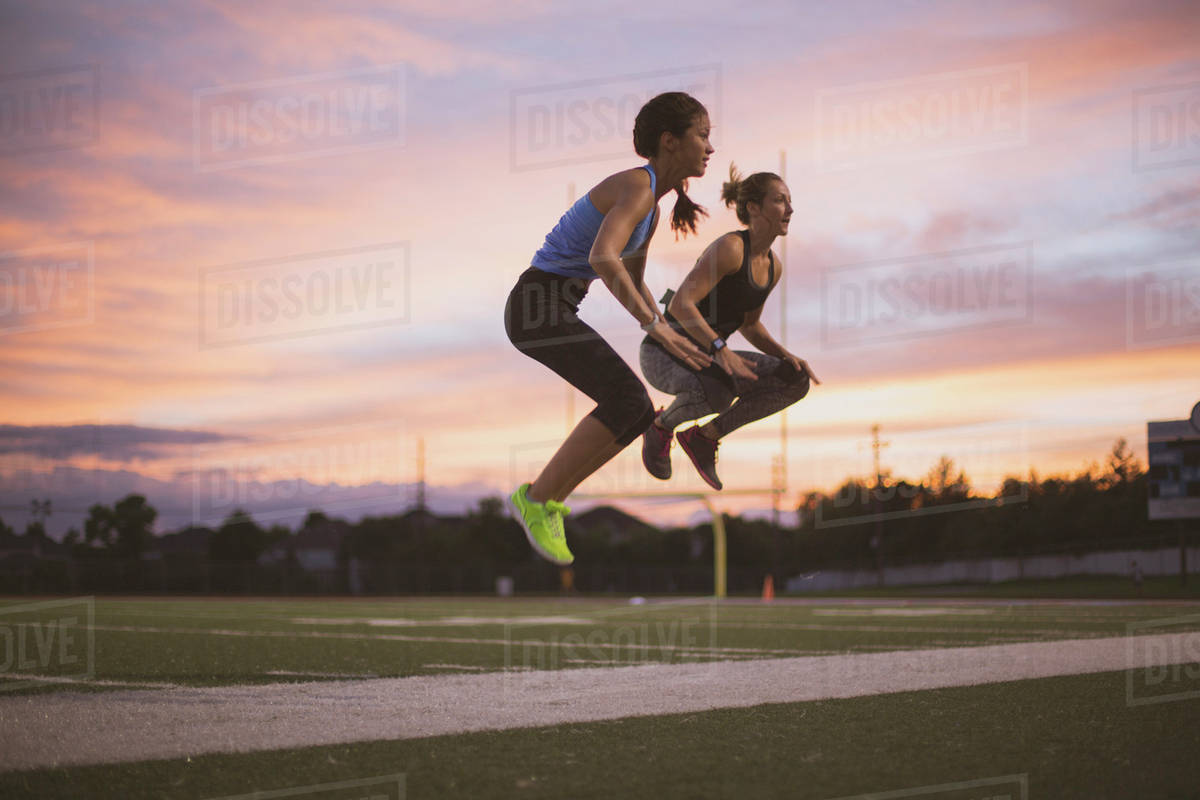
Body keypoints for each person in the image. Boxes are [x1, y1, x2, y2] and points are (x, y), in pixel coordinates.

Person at [504, 92, 715, 565]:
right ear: (669, 140)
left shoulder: (652, 208)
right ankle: (537, 500)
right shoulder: (638, 188)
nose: (709, 147)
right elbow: (604, 257)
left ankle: (542, 501)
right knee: (628, 399)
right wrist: (653, 326)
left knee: (636, 409)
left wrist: (668, 331)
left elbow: (634, 282)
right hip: (536, 304)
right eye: (702, 135)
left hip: (554, 307)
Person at [639, 165, 820, 490]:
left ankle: (705, 437)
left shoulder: (772, 266)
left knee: (794, 379)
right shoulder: (731, 249)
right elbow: (681, 304)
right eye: (780, 200)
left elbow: (751, 325)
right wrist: (721, 349)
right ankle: (660, 427)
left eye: (790, 201)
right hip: (664, 353)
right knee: (719, 392)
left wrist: (786, 354)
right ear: (754, 208)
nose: (790, 209)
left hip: (711, 358)